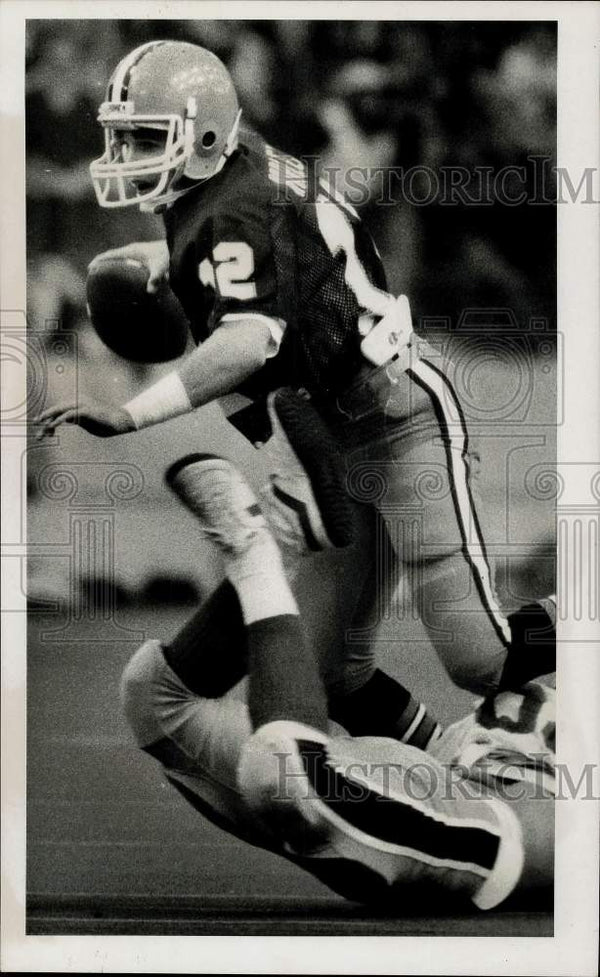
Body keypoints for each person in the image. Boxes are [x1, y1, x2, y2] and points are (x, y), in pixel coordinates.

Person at [36, 40, 555, 717]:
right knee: (326, 676)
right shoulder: (232, 167)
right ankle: (439, 773)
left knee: (482, 658)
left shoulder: (235, 207)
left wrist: (134, 413)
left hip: (397, 419)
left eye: (145, 138)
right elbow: (274, 240)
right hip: (336, 444)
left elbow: (250, 340)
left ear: (205, 134)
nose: (130, 158)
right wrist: (173, 253)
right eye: (126, 137)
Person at [120, 450, 555, 910]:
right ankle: (334, 499)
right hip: (467, 763)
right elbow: (347, 685)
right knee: (156, 695)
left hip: (499, 821)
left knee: (264, 763)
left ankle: (257, 549)